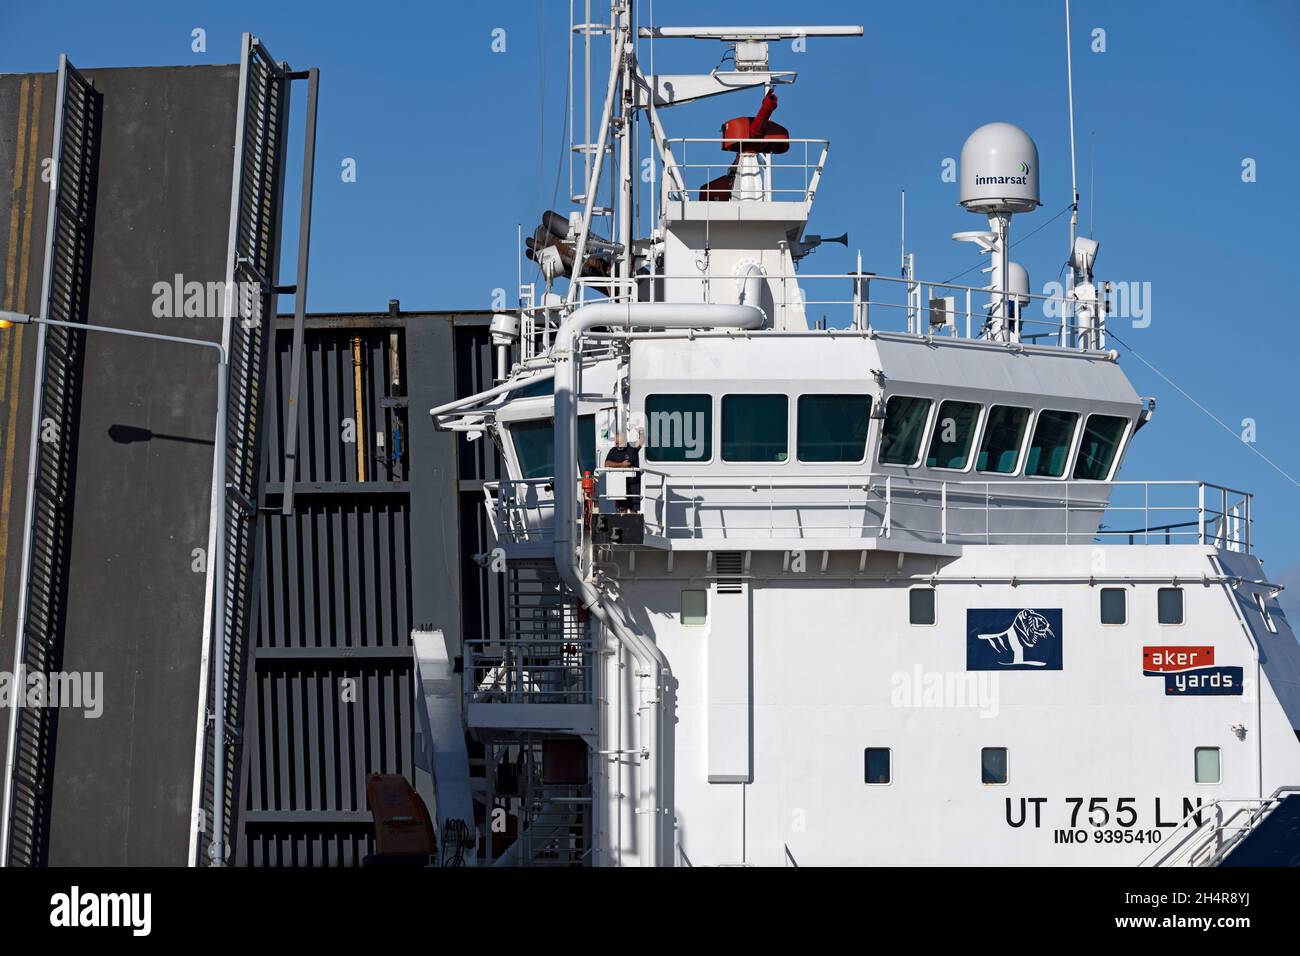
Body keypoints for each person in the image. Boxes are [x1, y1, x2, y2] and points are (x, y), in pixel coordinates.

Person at [602, 431, 641, 513]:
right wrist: (621, 464)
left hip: (634, 486)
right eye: (617, 443)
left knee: (634, 511)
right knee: (622, 511)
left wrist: (641, 431)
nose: (619, 446)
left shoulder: (632, 448)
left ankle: (633, 524)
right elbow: (607, 464)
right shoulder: (613, 451)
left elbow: (641, 442)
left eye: (621, 443)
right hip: (620, 486)